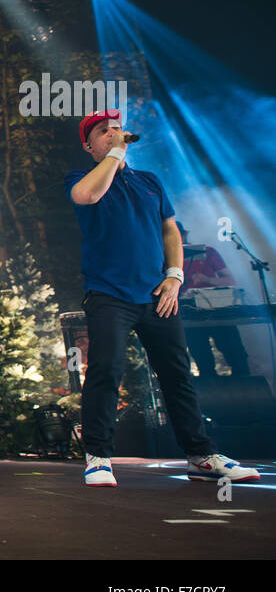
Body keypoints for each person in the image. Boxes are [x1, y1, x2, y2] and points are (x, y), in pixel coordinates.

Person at [66, 110, 257, 487]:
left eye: (117, 130)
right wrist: (114, 155)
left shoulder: (150, 182)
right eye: (103, 133)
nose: (114, 135)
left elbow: (169, 229)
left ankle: (200, 456)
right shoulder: (82, 179)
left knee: (177, 375)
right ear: (89, 146)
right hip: (108, 295)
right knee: (106, 371)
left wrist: (175, 276)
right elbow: (87, 195)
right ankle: (99, 457)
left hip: (157, 296)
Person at [176, 221, 251, 377]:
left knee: (236, 354)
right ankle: (212, 396)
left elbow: (230, 281)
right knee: (202, 359)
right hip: (189, 313)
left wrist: (207, 279)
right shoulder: (165, 258)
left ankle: (246, 392)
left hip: (217, 309)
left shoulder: (208, 252)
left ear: (184, 235)